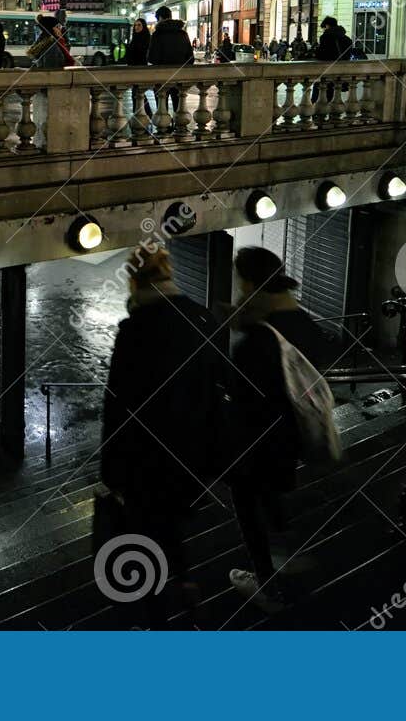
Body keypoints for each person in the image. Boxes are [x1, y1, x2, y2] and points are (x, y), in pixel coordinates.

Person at [99, 249, 220, 623]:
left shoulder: (134, 331)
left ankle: (156, 610)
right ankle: (184, 583)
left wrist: (112, 468)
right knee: (170, 518)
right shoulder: (200, 318)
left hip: (144, 454)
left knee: (145, 527)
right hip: (191, 447)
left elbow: (118, 403)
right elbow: (214, 386)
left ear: (134, 281)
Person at [222, 247, 313, 604]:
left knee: (247, 505)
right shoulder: (303, 323)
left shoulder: (256, 342)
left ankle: (265, 582)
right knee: (273, 494)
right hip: (291, 436)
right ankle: (287, 554)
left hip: (253, 442)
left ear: (249, 282)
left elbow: (240, 392)